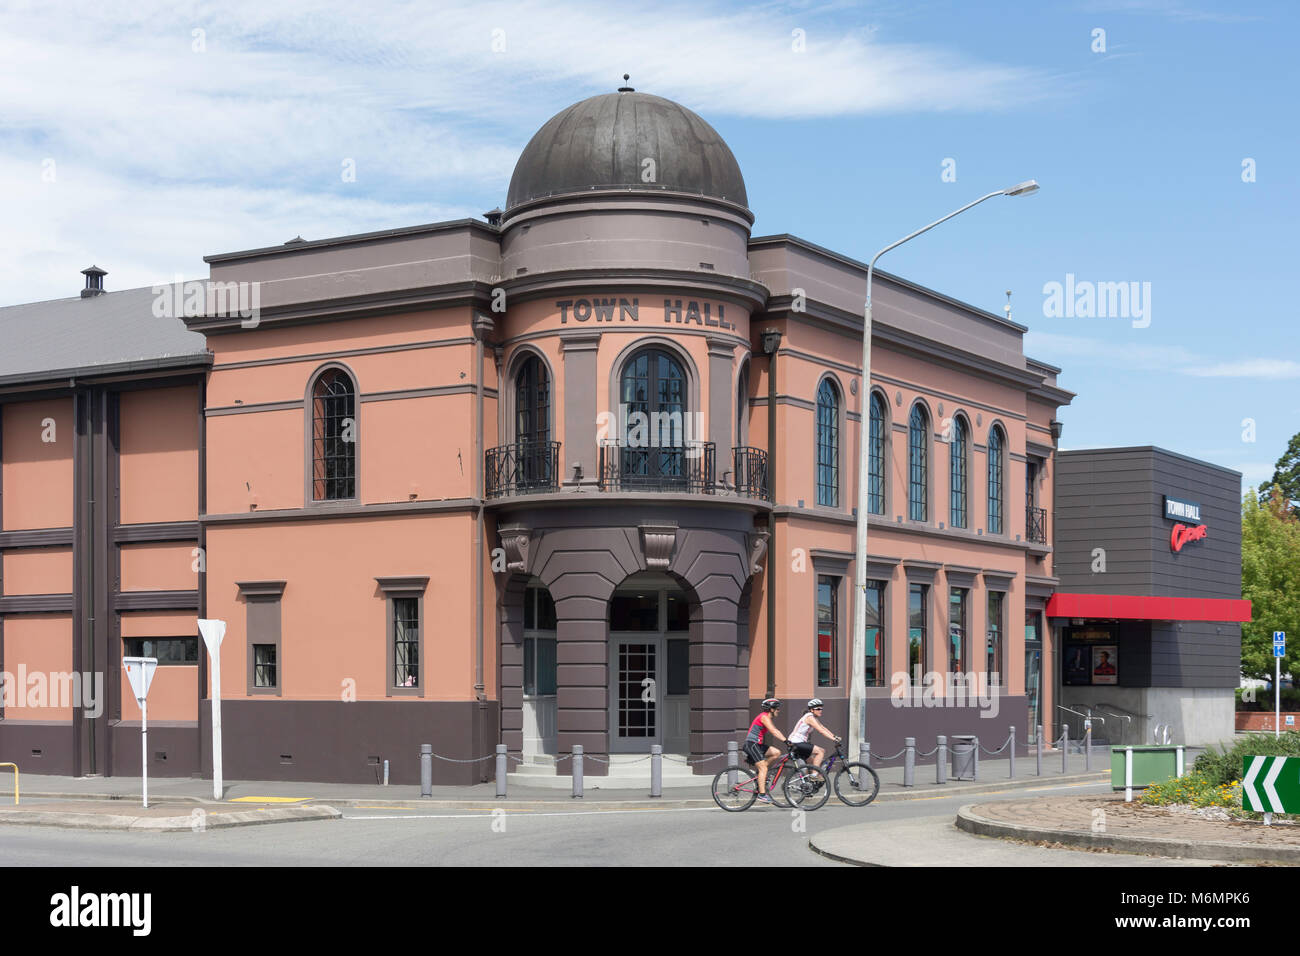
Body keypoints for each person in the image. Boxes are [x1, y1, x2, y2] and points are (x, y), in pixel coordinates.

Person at [743, 698, 788, 804]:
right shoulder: (764, 717)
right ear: (771, 709)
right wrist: (786, 741)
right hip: (751, 744)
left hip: (757, 745)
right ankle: (762, 795)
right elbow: (774, 731)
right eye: (777, 708)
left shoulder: (767, 717)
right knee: (763, 767)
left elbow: (775, 730)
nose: (779, 710)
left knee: (776, 752)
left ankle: (760, 774)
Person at [788, 698, 840, 771]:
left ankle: (812, 779)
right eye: (818, 709)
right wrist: (834, 739)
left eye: (821, 709)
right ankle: (814, 775)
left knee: (812, 764)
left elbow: (823, 727)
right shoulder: (809, 717)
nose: (820, 710)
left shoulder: (813, 718)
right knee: (821, 751)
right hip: (796, 742)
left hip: (799, 742)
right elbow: (821, 730)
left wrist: (834, 736)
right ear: (812, 710)